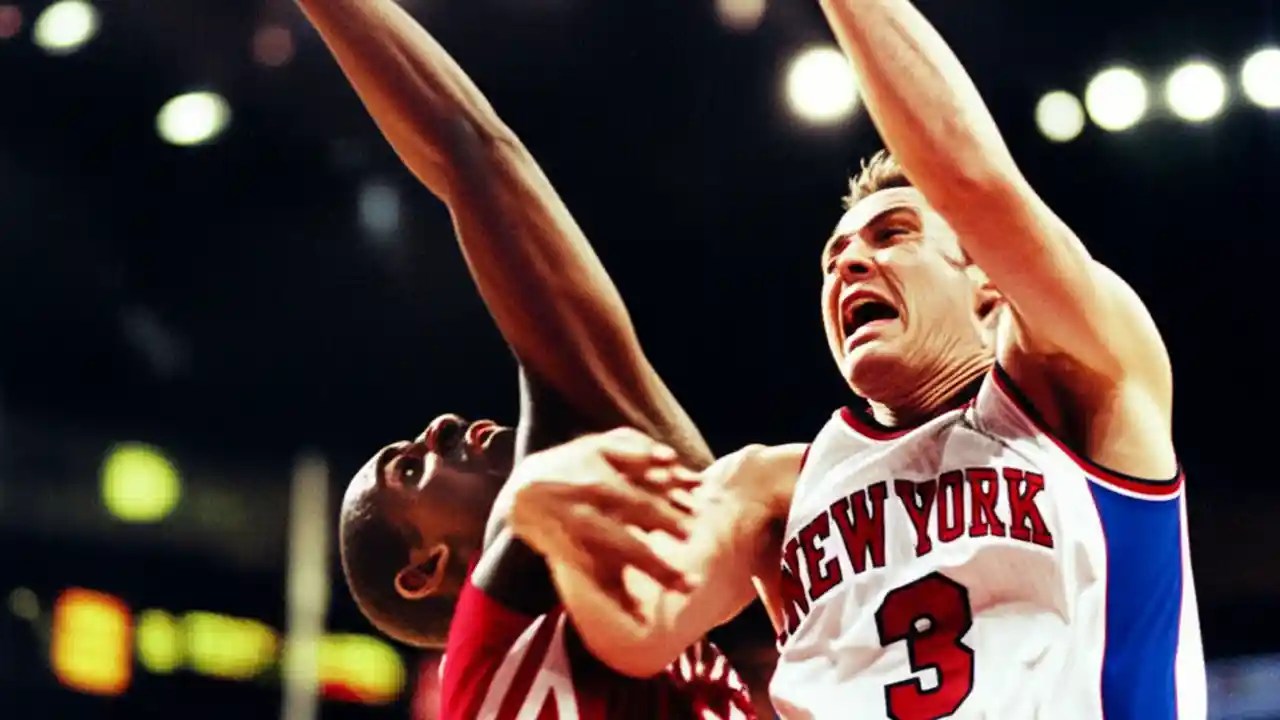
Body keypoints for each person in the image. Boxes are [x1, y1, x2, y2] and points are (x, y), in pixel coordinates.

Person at [532, 2, 1206, 718]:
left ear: (985, 278)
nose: (850, 262)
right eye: (834, 259)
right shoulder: (772, 490)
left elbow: (972, 179)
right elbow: (638, 630)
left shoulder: (1077, 374)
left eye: (892, 234)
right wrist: (545, 517)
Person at [293, 0, 757, 716]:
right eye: (413, 468)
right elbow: (466, 149)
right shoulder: (496, 643)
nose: (446, 426)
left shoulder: (636, 581)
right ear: (427, 571)